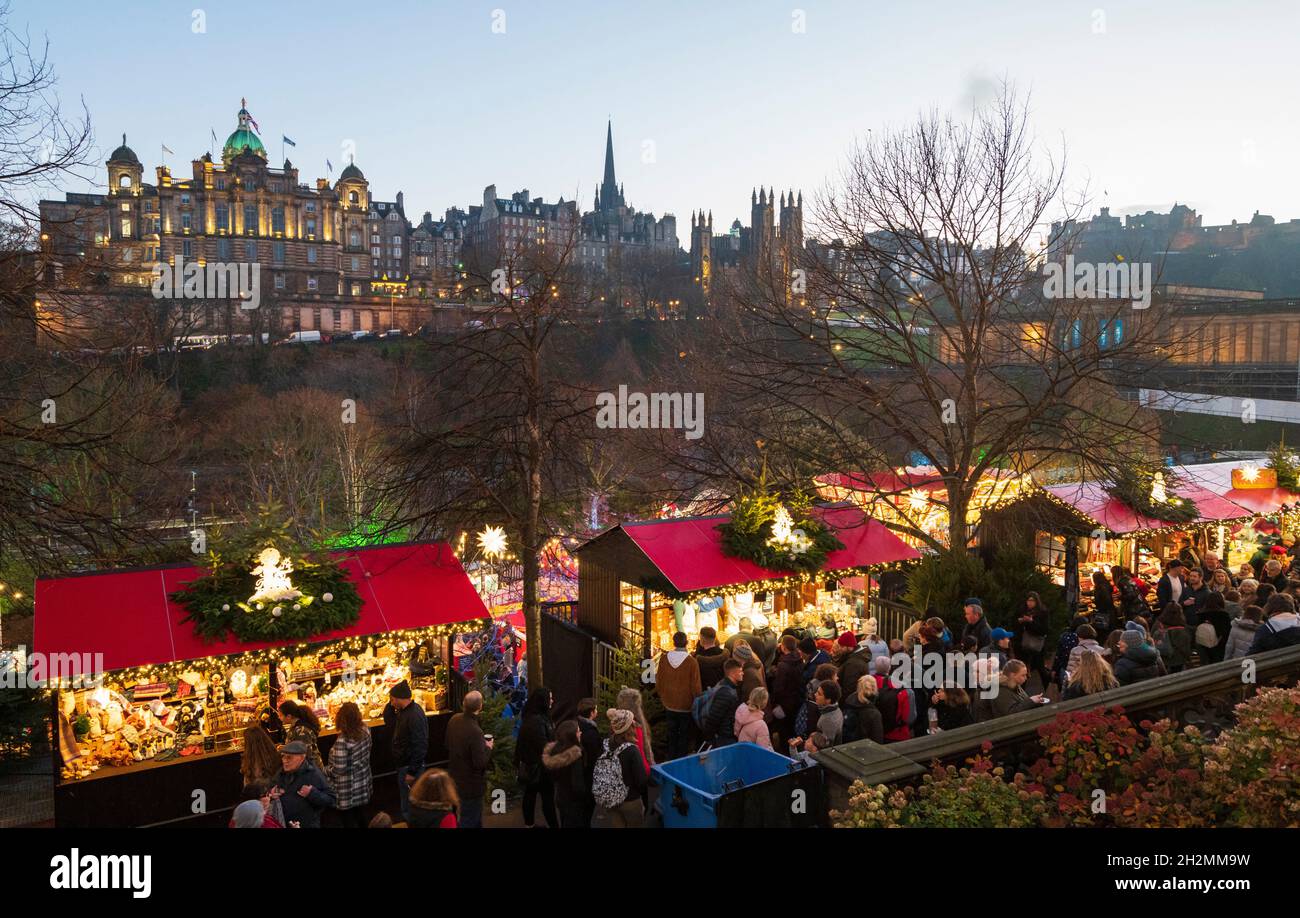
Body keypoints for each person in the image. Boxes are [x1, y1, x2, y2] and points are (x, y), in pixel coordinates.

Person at [445, 690, 493, 828]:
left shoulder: (454, 720)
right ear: (480, 706)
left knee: (469, 817)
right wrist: (488, 747)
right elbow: (480, 762)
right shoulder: (475, 731)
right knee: (470, 818)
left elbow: (447, 744)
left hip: (454, 778)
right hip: (471, 785)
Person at [383, 680, 428, 825]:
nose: (391, 703)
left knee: (411, 806)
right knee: (408, 805)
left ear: (398, 699)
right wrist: (390, 702)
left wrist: (412, 772)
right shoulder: (404, 712)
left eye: (392, 700)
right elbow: (389, 721)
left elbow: (420, 745)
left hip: (410, 768)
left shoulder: (414, 716)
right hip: (405, 766)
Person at [593, 709, 648, 828]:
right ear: (629, 727)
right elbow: (641, 780)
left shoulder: (605, 745)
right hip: (631, 800)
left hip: (610, 799)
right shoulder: (632, 750)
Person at [515, 686, 558, 829]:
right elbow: (544, 746)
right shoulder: (537, 721)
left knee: (530, 795)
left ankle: (530, 824)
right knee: (546, 800)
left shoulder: (530, 717)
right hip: (539, 768)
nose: (552, 700)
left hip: (532, 766)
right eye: (550, 698)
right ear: (543, 701)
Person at [655, 631, 702, 761]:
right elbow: (696, 687)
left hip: (668, 703)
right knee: (684, 736)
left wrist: (663, 696)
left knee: (671, 735)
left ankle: (670, 759)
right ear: (686, 643)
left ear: (673, 642)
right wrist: (697, 701)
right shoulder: (692, 662)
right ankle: (680, 762)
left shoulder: (664, 659)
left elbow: (659, 681)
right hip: (686, 705)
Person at [326, 701, 373, 828]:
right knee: (362, 816)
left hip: (347, 788)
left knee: (348, 821)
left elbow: (339, 770)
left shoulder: (343, 741)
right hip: (363, 782)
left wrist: (325, 770)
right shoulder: (365, 729)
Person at [272, 740, 336, 829]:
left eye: (289, 757)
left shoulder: (313, 774)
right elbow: (272, 787)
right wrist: (273, 793)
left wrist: (312, 793)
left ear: (302, 758)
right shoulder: (282, 772)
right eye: (283, 757)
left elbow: (331, 799)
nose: (284, 761)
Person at [543, 720, 591, 828]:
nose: (580, 733)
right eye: (578, 731)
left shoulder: (555, 753)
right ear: (572, 736)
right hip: (573, 801)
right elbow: (578, 785)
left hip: (561, 796)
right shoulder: (574, 756)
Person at [974, 660, 1043, 721]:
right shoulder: (1000, 690)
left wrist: (1035, 702)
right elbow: (1010, 713)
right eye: (1023, 675)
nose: (1026, 677)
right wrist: (1031, 701)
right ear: (1013, 675)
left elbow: (1023, 702)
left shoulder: (1015, 685)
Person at [769, 635, 805, 747]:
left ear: (783, 647)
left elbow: (778, 688)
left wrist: (774, 703)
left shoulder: (783, 665)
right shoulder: (800, 659)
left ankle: (786, 751)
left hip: (785, 703)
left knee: (784, 731)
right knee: (793, 728)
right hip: (797, 700)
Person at [790, 680, 842, 753]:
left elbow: (825, 749)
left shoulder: (828, 720)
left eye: (819, 694)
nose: (815, 694)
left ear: (828, 700)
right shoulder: (835, 709)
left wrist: (805, 745)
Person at [702, 659, 744, 747]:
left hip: (725, 734)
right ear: (732, 674)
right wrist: (710, 739)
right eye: (740, 671)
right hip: (724, 737)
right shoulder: (726, 693)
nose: (743, 673)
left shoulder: (724, 685)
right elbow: (713, 718)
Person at [1015, 591, 1051, 688]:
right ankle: (1022, 691)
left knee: (1040, 667)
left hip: (1036, 645)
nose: (1030, 603)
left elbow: (1044, 630)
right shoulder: (1023, 610)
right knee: (1023, 667)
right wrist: (1021, 621)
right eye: (1028, 600)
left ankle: (1046, 686)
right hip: (1024, 644)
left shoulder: (1042, 612)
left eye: (1032, 601)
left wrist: (1031, 622)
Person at [616, 686, 655, 774]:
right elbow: (646, 750)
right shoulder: (638, 727)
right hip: (638, 771)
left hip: (628, 772)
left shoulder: (618, 724)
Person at [278, 700, 324, 771]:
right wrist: (285, 748)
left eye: (280, 715)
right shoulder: (295, 727)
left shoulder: (302, 731)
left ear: (289, 716)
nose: (279, 717)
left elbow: (305, 754)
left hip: (312, 772)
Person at [1051, 613, 1088, 691]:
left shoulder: (1065, 636)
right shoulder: (1086, 638)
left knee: (1067, 693)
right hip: (1084, 670)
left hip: (1066, 669)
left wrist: (1054, 669)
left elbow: (1059, 655)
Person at [843, 674, 884, 743]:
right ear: (875, 688)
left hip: (847, 745)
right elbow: (878, 739)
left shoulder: (849, 701)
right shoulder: (874, 713)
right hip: (865, 749)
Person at [240, 724, 281, 789]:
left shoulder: (251, 760)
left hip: (261, 794)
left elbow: (248, 786)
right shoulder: (274, 754)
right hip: (275, 791)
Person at [1154, 603, 1192, 673]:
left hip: (1162, 659)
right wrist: (1188, 658)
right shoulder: (1180, 629)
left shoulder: (1158, 624)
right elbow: (1185, 648)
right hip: (1177, 661)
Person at [1197, 591, 1233, 664]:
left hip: (1203, 643)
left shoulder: (1201, 613)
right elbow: (1226, 632)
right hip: (1218, 645)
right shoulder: (1223, 614)